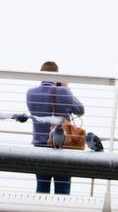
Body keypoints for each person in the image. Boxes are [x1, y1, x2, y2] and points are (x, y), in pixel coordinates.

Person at [26, 61, 85, 196]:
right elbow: (80, 110)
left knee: (41, 187)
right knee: (62, 190)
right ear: (57, 76)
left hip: (40, 146)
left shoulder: (30, 94)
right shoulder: (64, 92)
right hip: (62, 147)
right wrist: (66, 88)